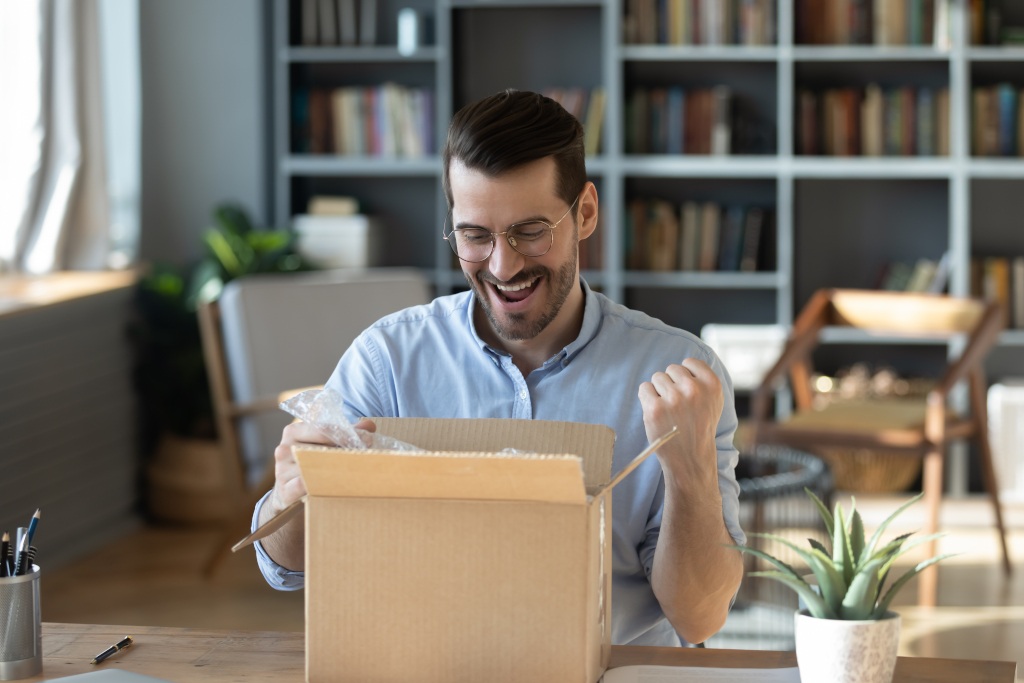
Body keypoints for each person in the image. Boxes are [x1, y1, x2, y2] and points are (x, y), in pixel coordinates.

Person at [253, 89, 745, 647]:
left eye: (530, 230)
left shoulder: (680, 373)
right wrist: (290, 494)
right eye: (475, 236)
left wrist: (690, 473)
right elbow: (284, 570)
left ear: (584, 212)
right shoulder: (388, 359)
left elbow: (699, 619)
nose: (503, 265)